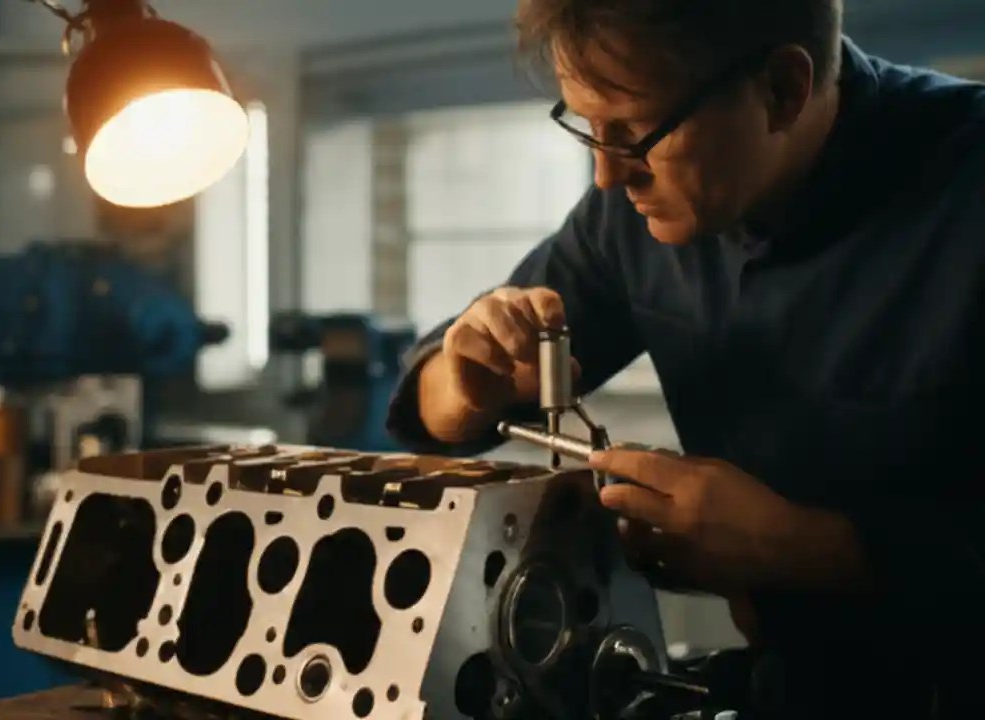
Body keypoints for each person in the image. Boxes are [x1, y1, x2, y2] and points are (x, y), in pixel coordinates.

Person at [383, 0, 985, 717]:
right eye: (587, 128)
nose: (607, 178)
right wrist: (462, 380)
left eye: (634, 134)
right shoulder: (627, 215)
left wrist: (807, 549)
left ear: (781, 91)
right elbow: (445, 395)